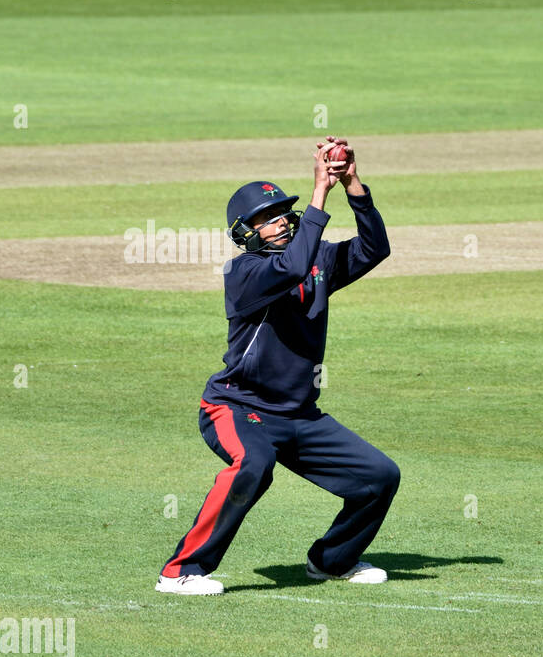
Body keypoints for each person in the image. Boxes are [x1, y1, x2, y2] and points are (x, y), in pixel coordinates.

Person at [156, 138, 399, 594]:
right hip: (235, 407)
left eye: (282, 214)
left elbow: (374, 249)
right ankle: (181, 571)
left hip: (299, 414)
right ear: (245, 233)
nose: (280, 222)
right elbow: (289, 269)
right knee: (254, 462)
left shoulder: (318, 260)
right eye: (266, 219)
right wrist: (318, 195)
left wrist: (352, 185)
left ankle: (332, 561)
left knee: (378, 477)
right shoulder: (243, 274)